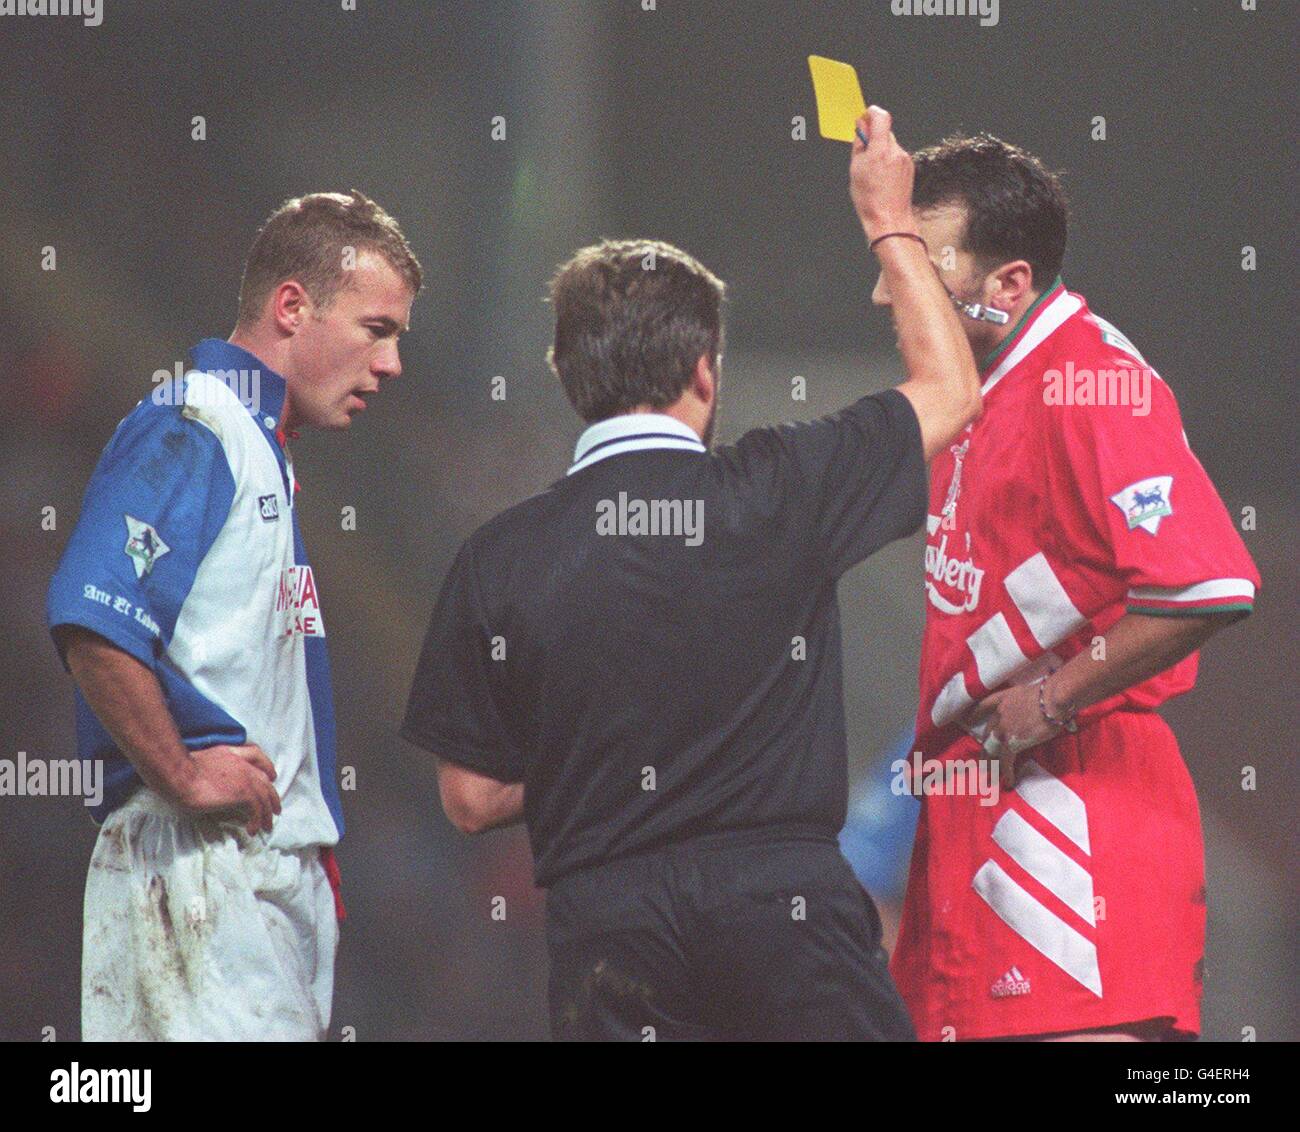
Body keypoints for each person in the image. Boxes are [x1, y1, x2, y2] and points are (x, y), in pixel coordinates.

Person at [402, 107, 981, 1040]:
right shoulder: (784, 487)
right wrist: (888, 222)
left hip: (607, 932)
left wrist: (619, 772)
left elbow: (469, 799)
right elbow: (951, 391)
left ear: (566, 375)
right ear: (705, 372)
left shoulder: (497, 559)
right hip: (784, 918)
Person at [881, 134, 1261, 1041]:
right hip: (980, 800)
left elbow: (1207, 583)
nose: (888, 293)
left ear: (1008, 284)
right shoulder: (973, 389)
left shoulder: (1090, 382)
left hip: (1070, 808)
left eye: (921, 266)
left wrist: (1052, 699)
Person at [46, 190, 422, 1040]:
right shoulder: (198, 421)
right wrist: (182, 773)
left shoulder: (256, 447)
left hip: (237, 889)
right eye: (378, 329)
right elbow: (89, 608)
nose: (392, 363)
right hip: (201, 873)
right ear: (293, 306)